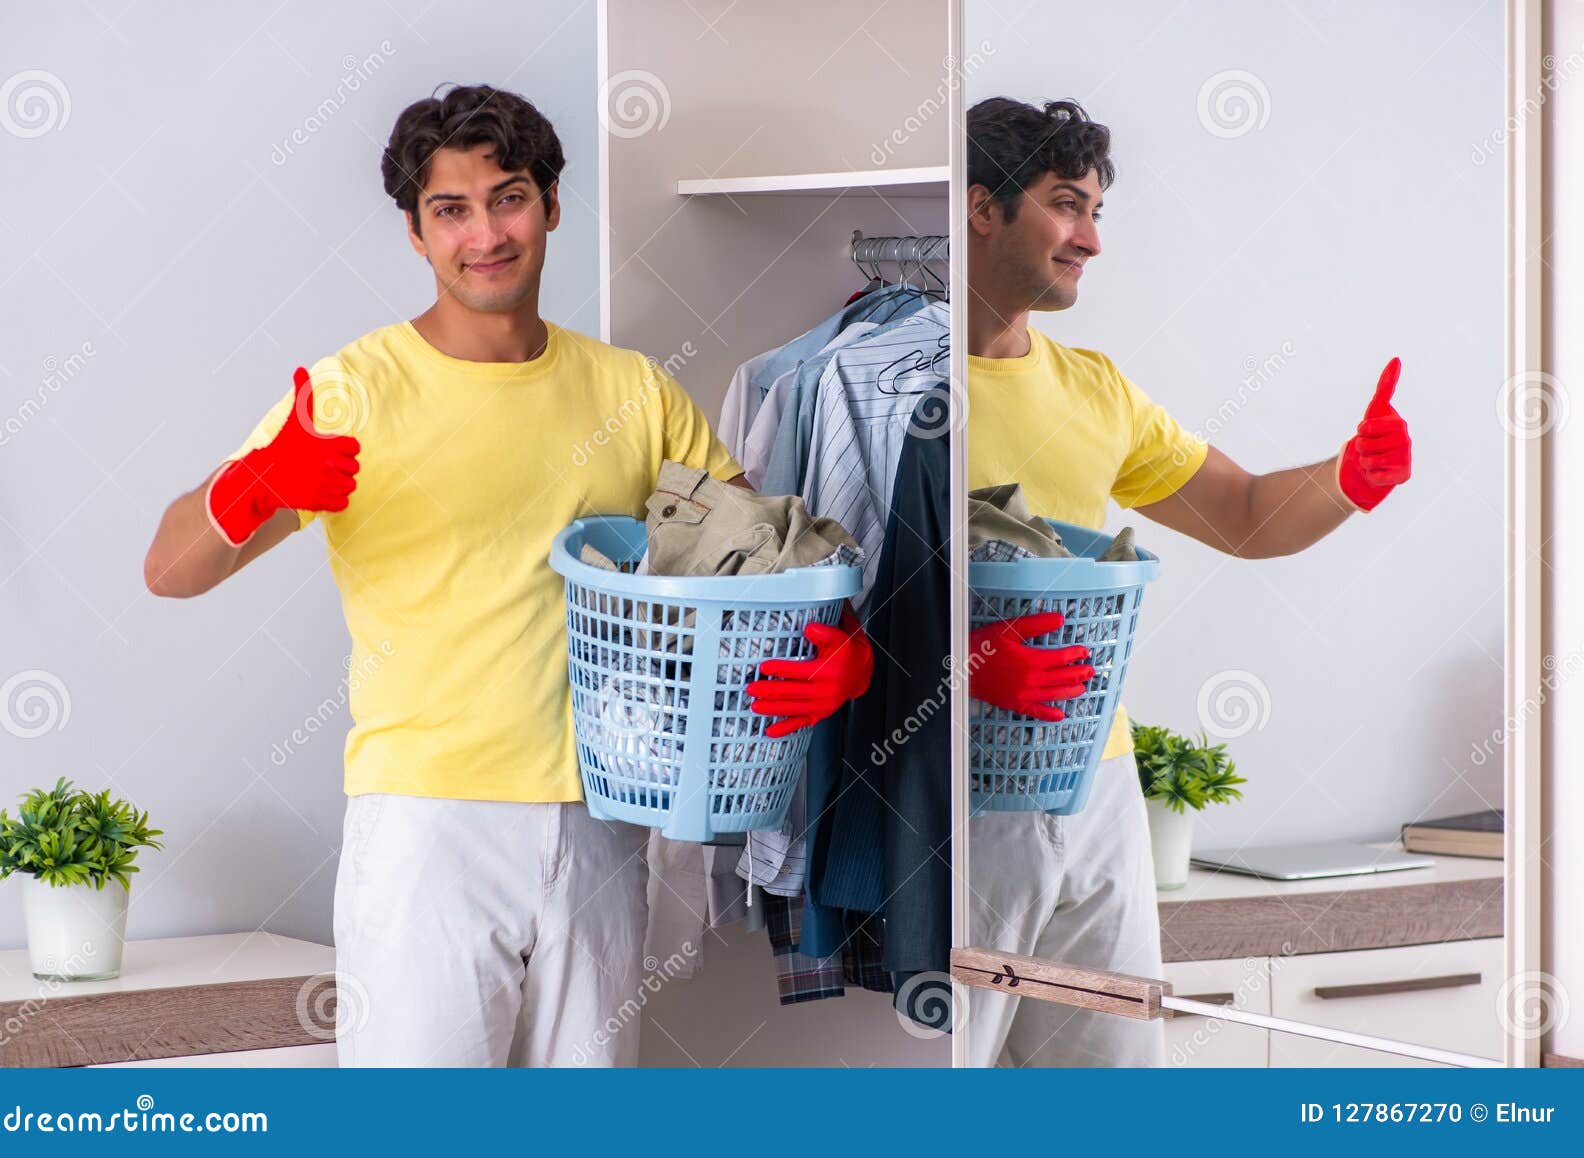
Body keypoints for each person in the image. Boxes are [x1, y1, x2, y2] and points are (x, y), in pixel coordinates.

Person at [143, 84, 870, 1067]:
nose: (484, 233)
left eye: (508, 197)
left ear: (552, 204)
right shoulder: (356, 389)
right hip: (428, 826)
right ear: (416, 233)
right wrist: (254, 485)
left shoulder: (634, 391)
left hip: (604, 824)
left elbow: (765, 567)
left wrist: (848, 653)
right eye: (451, 209)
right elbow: (171, 570)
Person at [962, 96, 1412, 1067]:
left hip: (1096, 790)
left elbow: (1244, 512)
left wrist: (1347, 476)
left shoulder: (1095, 389)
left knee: (1111, 1090)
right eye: (1065, 205)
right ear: (979, 208)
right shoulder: (888, 384)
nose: (1088, 238)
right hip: (953, 800)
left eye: (1094, 213)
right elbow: (824, 592)